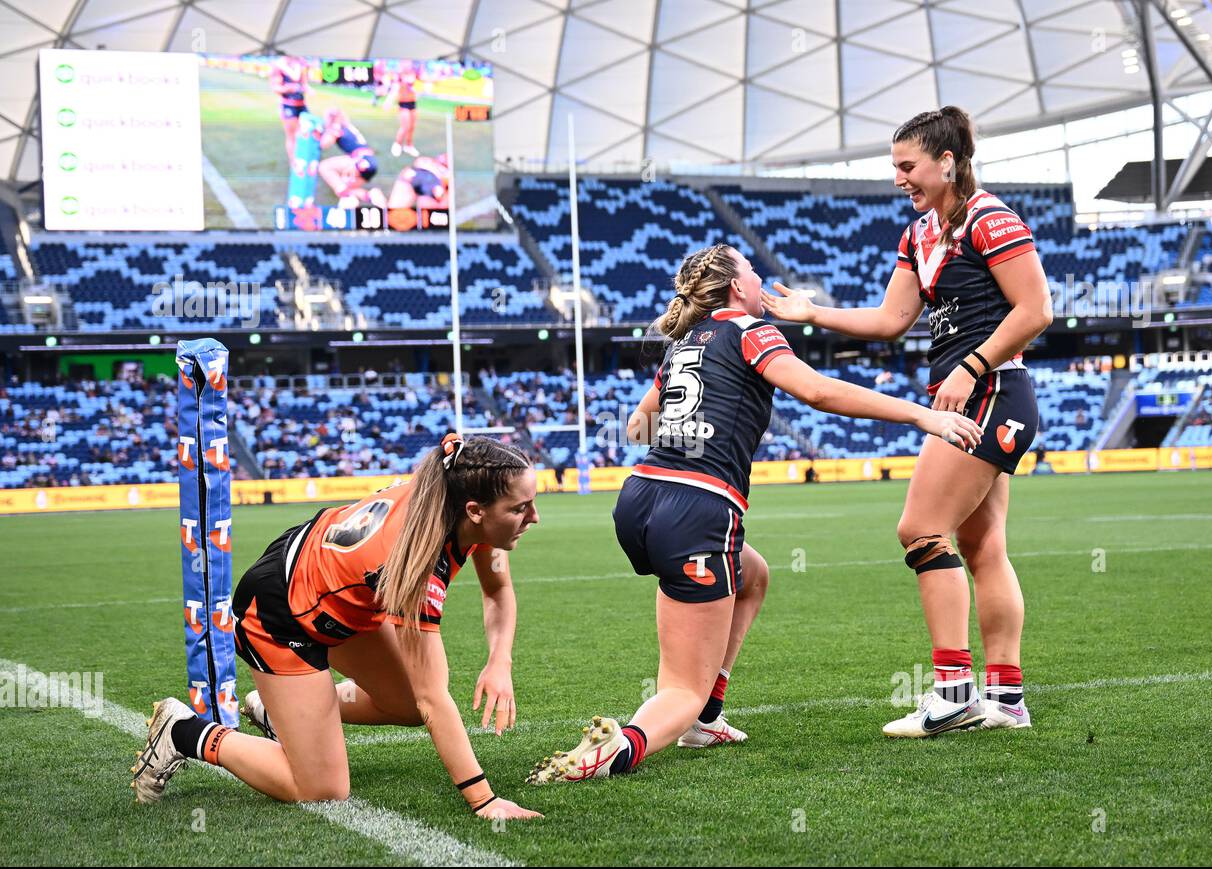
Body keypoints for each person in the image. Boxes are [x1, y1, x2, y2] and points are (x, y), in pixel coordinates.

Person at [526, 243, 983, 784]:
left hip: (639, 499)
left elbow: (636, 428)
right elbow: (817, 391)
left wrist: (694, 423)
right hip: (696, 510)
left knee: (753, 574)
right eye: (750, 269)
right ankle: (611, 752)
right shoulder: (749, 329)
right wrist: (920, 416)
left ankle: (707, 718)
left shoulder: (680, 345)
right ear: (736, 289)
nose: (759, 277)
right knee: (679, 688)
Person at [764, 106, 1053, 738]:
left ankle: (953, 694)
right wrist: (811, 313)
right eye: (894, 167)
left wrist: (971, 367)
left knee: (920, 530)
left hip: (990, 392)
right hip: (976, 394)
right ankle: (1007, 701)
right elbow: (892, 320)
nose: (899, 179)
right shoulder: (919, 233)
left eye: (907, 166)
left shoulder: (992, 219)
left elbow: (1036, 309)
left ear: (947, 162)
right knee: (983, 546)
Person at [132, 435, 542, 821]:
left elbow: (497, 590)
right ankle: (185, 731)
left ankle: (278, 709)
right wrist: (483, 799)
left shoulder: (460, 498)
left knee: (403, 704)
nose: (534, 517)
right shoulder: (419, 563)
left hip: (337, 595)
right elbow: (434, 699)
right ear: (476, 511)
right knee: (322, 789)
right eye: (521, 508)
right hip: (281, 612)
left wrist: (499, 661)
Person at [271, 55, 310, 162]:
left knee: (305, 133)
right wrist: (288, 88)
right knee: (292, 135)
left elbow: (304, 84)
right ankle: (294, 163)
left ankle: (303, 159)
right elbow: (275, 87)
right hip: (288, 105)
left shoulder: (300, 62)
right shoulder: (279, 65)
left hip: (302, 104)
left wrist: (307, 89)